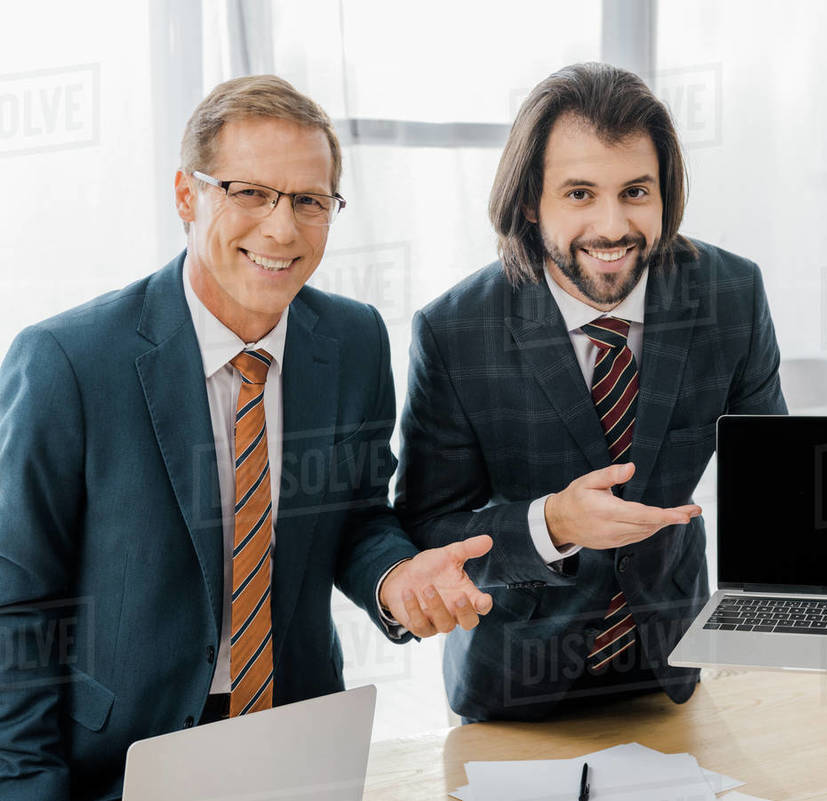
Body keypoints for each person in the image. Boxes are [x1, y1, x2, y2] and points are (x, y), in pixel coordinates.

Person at [0, 75, 493, 801]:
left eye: (308, 201)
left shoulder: (353, 339)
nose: (281, 229)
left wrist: (395, 578)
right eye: (249, 192)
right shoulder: (66, 363)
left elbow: (356, 515)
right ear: (186, 196)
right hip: (117, 763)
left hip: (299, 746)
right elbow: (18, 608)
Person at [398, 62, 787, 722]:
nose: (612, 226)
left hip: (670, 667)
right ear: (530, 202)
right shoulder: (455, 330)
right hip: (515, 685)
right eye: (580, 193)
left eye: (636, 191)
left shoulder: (731, 294)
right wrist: (551, 524)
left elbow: (773, 476)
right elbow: (427, 530)